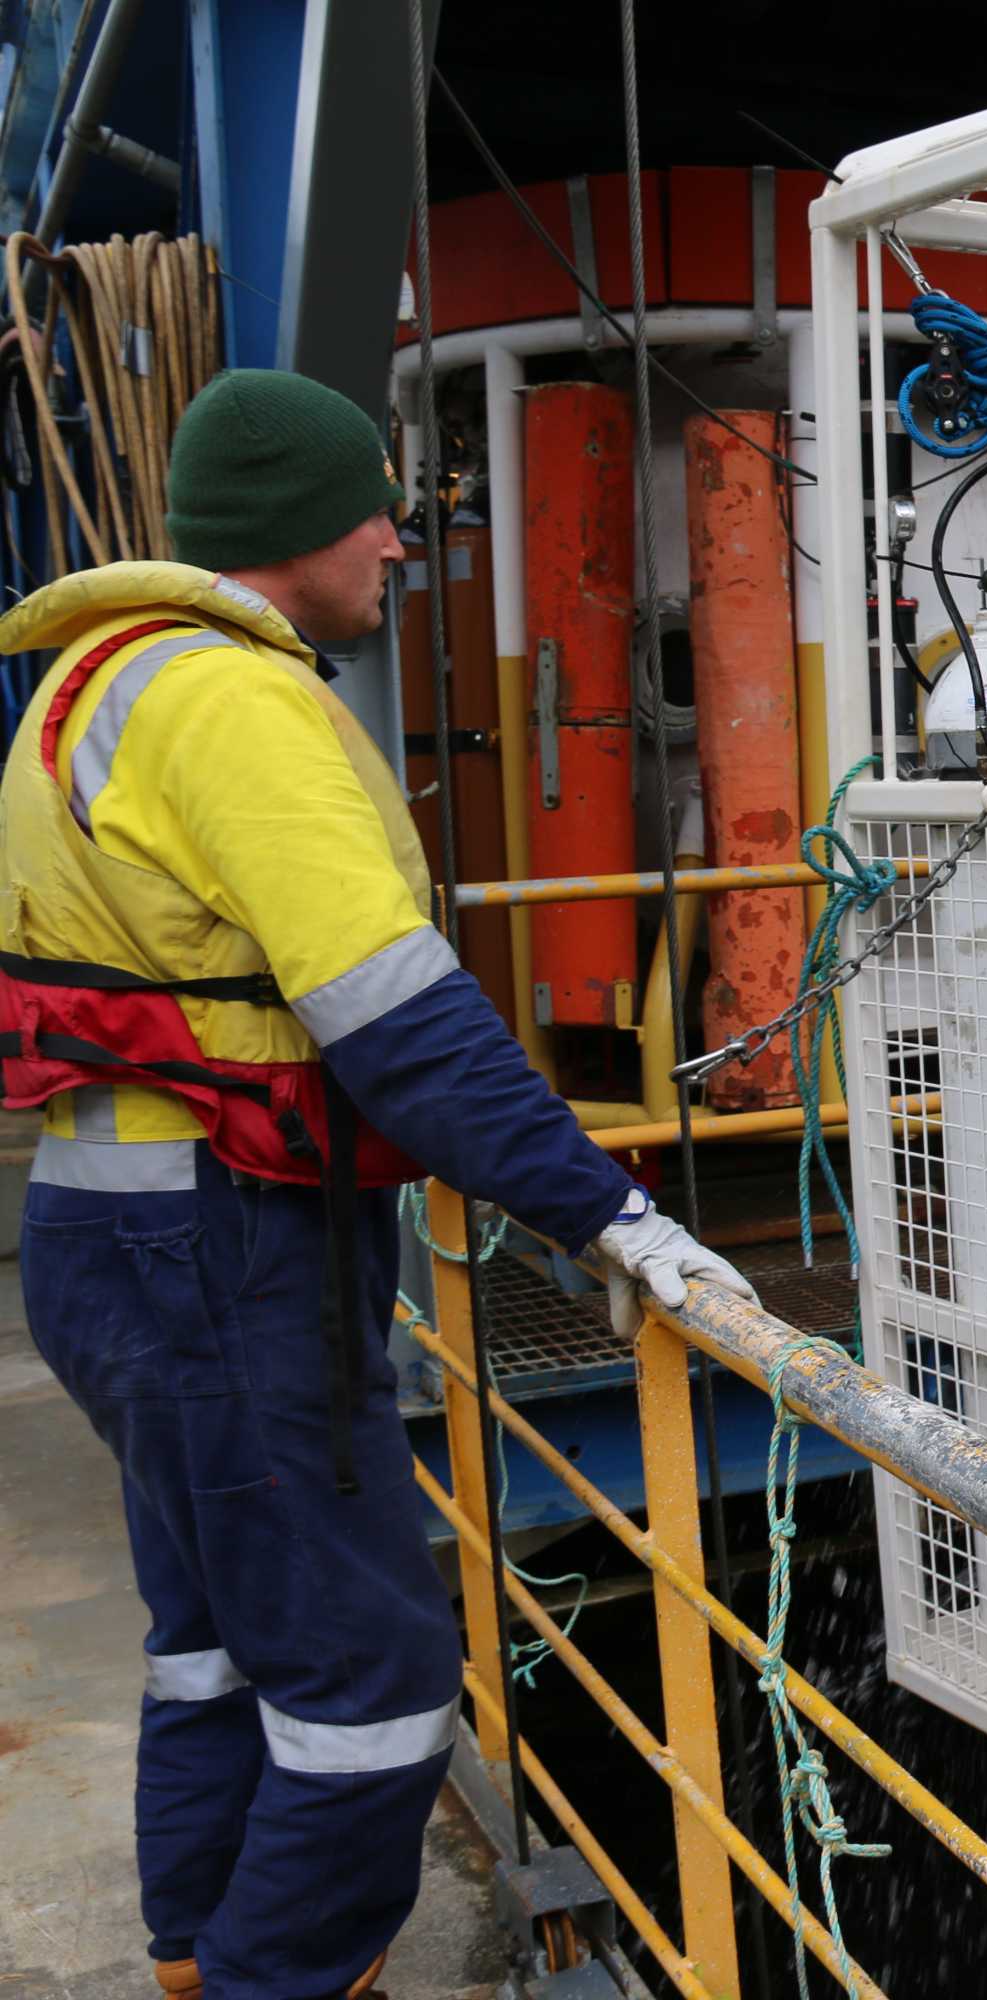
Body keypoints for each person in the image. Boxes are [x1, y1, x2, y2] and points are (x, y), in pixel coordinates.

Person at [0, 369, 751, 2000]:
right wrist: (613, 1215)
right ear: (298, 532)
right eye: (379, 513)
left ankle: (205, 1960)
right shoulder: (227, 703)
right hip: (221, 1254)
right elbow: (391, 1017)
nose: (404, 544)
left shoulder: (98, 679)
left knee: (215, 1647)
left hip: (117, 1237)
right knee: (375, 1683)